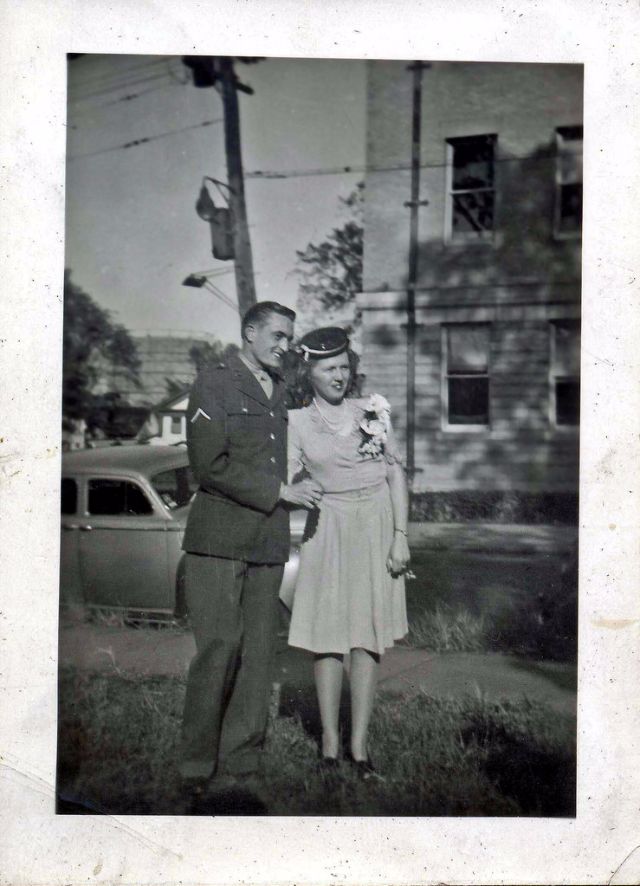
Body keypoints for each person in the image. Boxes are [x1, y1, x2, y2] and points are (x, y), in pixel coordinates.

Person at [180, 301, 321, 803]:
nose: (285, 345)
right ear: (250, 332)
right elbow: (207, 465)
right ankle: (196, 764)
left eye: (290, 337)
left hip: (266, 541)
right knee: (219, 648)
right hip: (217, 541)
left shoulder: (283, 390)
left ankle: (242, 760)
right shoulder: (214, 382)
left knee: (259, 655)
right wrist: (278, 491)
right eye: (278, 335)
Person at [284, 326, 410, 777]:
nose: (339, 375)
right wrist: (301, 487)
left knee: (367, 634)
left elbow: (395, 475)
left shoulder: (371, 411)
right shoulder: (296, 422)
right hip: (329, 529)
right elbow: (286, 479)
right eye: (328, 367)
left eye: (344, 366)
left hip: (376, 527)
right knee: (328, 635)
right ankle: (329, 746)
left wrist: (401, 534)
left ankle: (360, 746)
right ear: (309, 371)